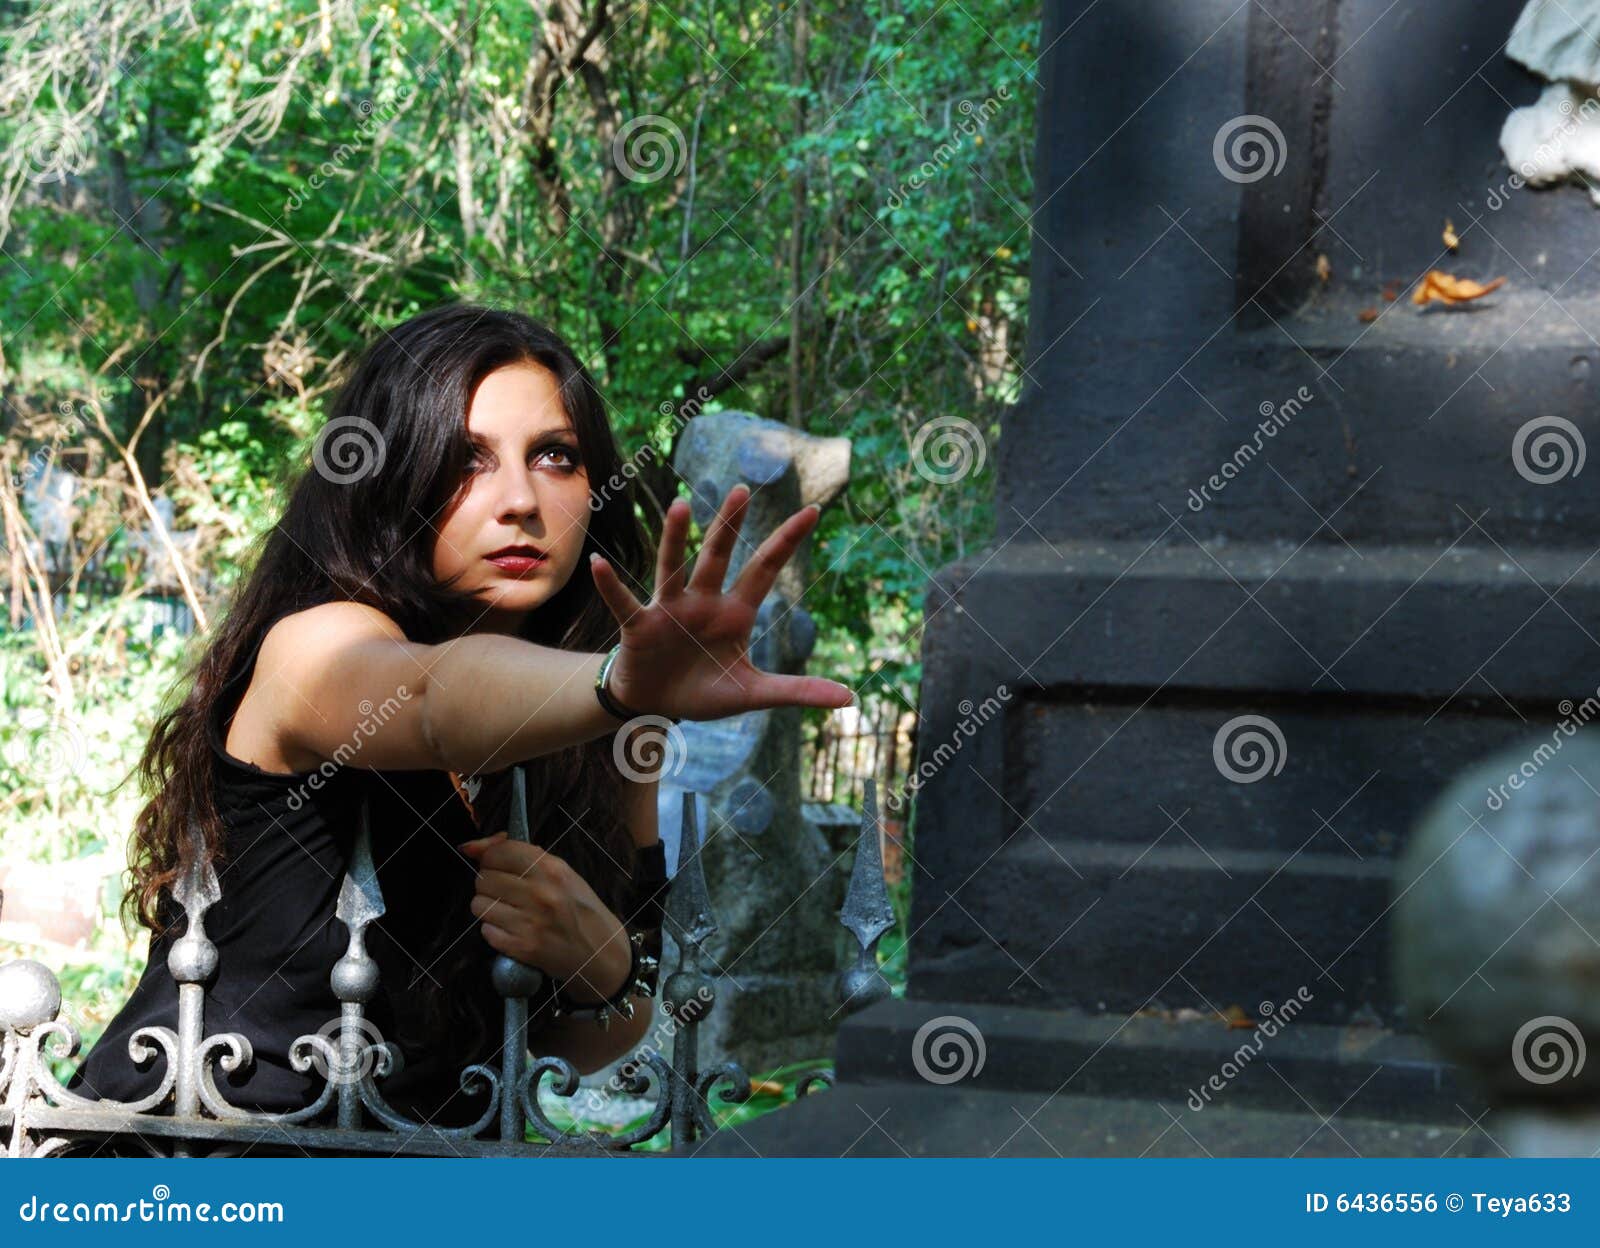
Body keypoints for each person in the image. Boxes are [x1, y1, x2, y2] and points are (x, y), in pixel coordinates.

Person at [64, 302, 853, 1138]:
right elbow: (437, 700)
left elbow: (576, 1037)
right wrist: (619, 682)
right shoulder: (314, 650)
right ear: (386, 478)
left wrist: (604, 965)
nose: (518, 499)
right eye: (464, 458)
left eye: (554, 455)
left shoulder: (608, 736)